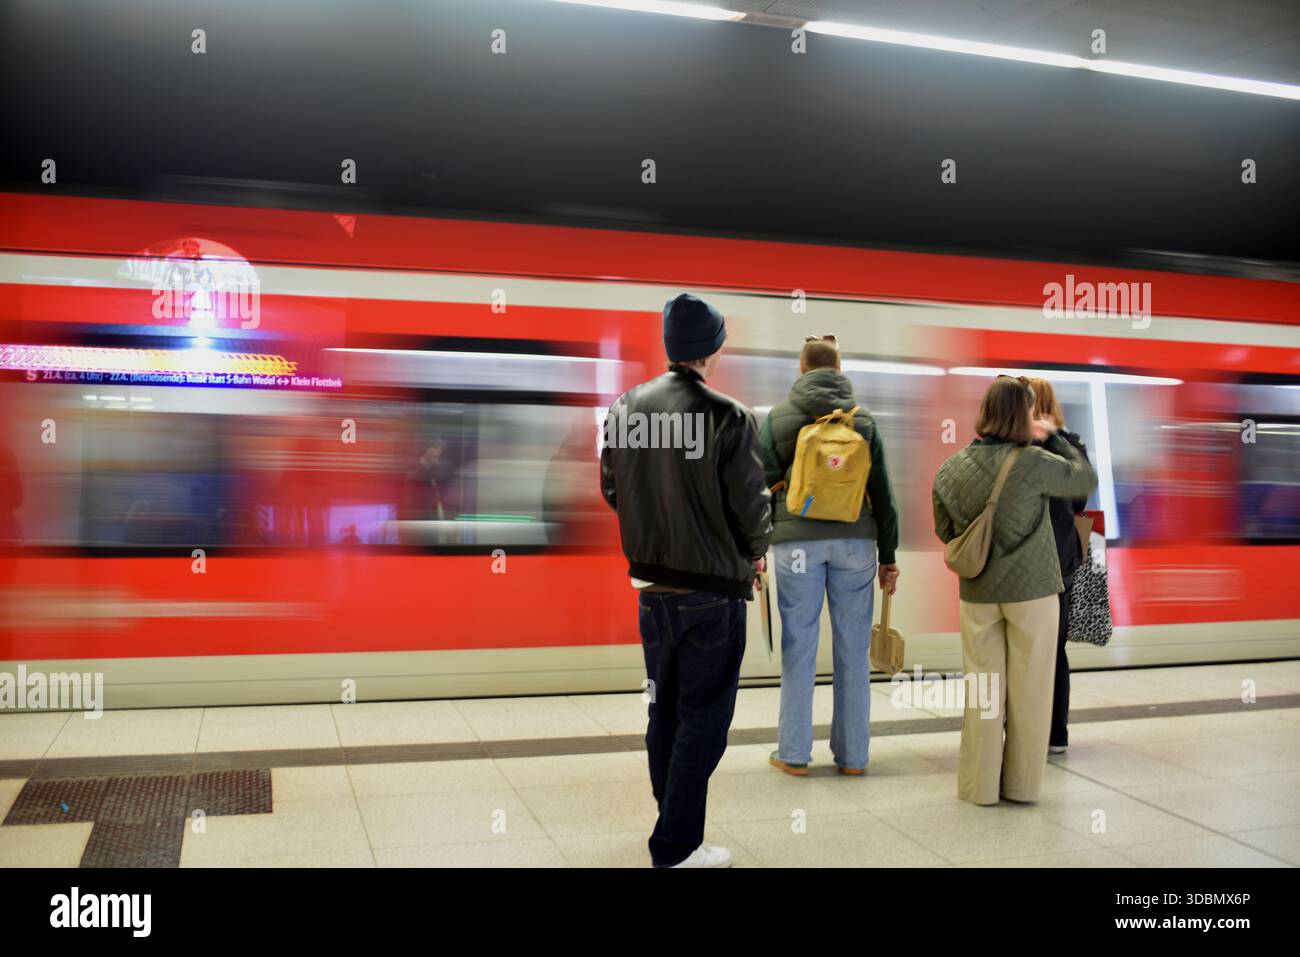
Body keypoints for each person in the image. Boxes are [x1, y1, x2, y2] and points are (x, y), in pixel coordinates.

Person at [600, 293, 772, 869]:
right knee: (706, 715)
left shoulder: (626, 407)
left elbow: (611, 490)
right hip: (713, 591)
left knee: (665, 709)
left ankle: (674, 820)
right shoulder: (729, 415)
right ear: (714, 349)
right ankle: (676, 846)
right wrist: (756, 551)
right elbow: (751, 508)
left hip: (650, 590)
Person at [931, 376, 1096, 805]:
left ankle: (980, 789)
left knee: (984, 691)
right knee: (1030, 691)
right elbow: (1083, 481)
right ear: (1024, 415)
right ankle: (1022, 788)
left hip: (980, 594)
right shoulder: (1035, 461)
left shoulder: (951, 467)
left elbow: (945, 530)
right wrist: (1054, 436)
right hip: (1035, 594)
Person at [757, 336, 899, 776]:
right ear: (840, 370)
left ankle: (794, 753)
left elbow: (757, 487)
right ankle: (853, 757)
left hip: (796, 544)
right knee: (853, 650)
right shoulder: (866, 422)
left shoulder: (778, 418)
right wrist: (888, 557)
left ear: (802, 371)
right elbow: (885, 497)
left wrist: (754, 548)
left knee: (799, 646)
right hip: (856, 544)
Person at [1026, 378, 1091, 755]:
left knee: (1023, 647)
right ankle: (1056, 734)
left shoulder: (1020, 445)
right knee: (1055, 648)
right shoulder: (1071, 446)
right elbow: (1081, 499)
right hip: (1063, 558)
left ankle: (1023, 730)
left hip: (1028, 556)